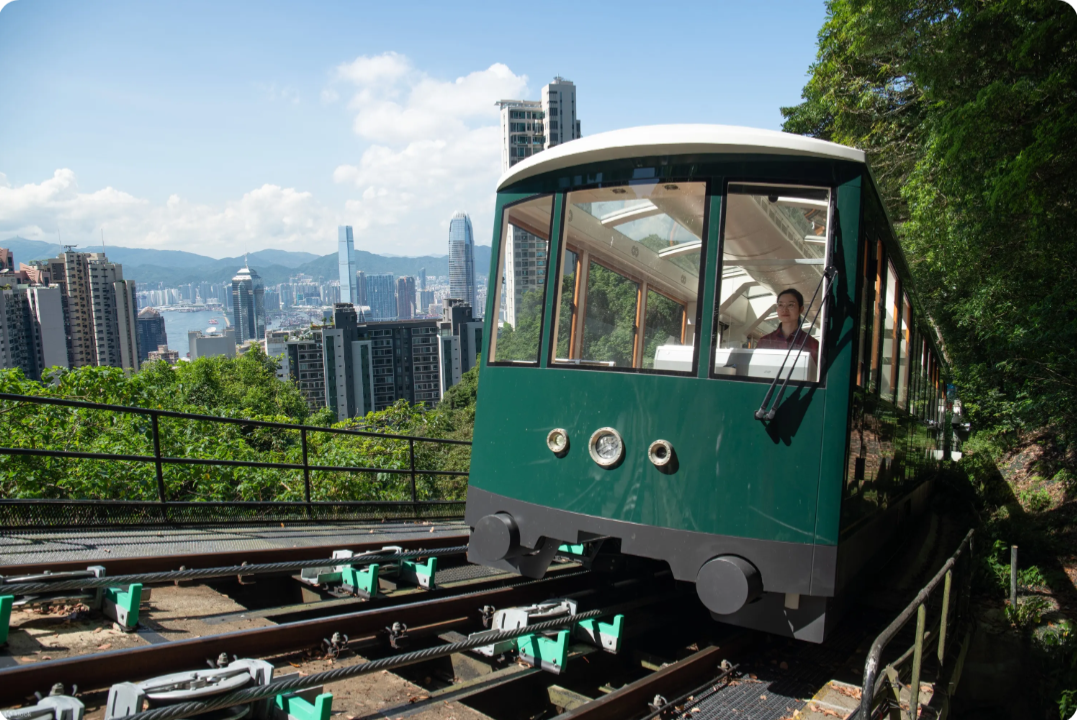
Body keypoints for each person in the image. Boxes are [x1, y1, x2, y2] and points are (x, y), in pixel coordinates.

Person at [756, 288, 819, 366]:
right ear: (777, 309)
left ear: (801, 309)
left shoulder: (812, 344)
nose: (784, 310)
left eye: (790, 305)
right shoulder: (765, 342)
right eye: (781, 305)